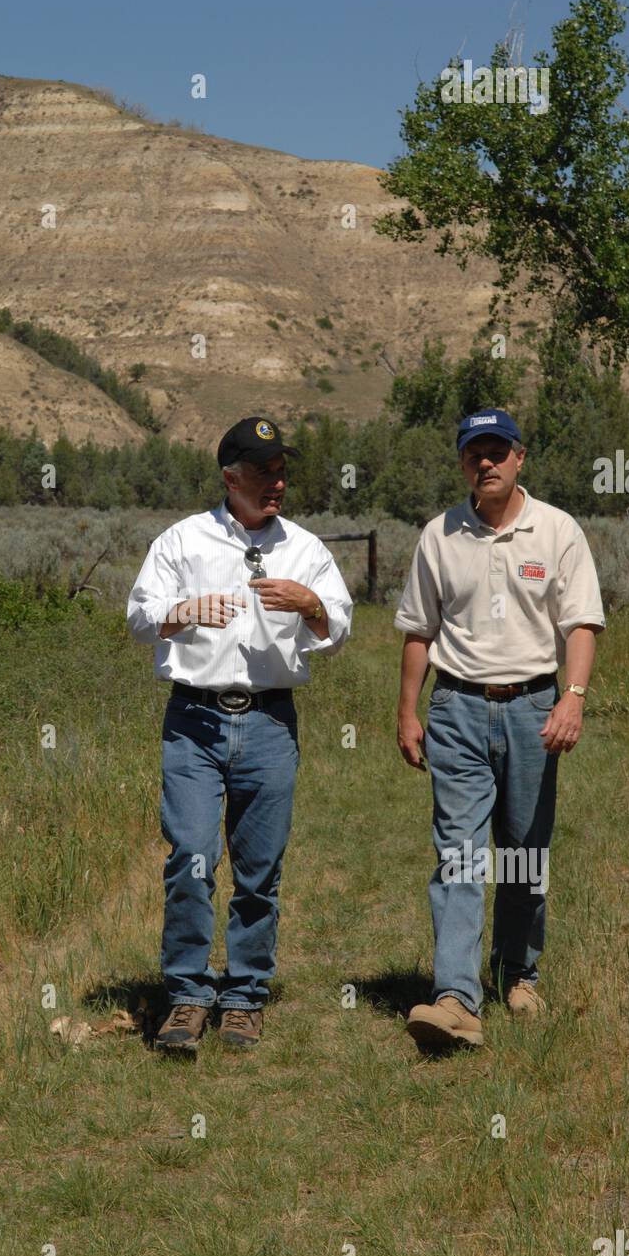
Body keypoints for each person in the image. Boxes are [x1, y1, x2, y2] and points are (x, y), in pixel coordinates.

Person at [127, 416, 353, 1052]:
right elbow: (139, 618)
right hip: (193, 722)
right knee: (191, 858)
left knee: (259, 869)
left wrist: (310, 605)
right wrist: (182, 613)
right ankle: (188, 996)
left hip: (269, 722)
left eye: (282, 470)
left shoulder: (305, 549)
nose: (277, 482)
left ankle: (246, 995)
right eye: (264, 471)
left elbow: (338, 629)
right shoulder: (182, 541)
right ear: (231, 478)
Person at [394, 408, 605, 1049]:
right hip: (456, 707)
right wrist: (407, 710)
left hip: (534, 708)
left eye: (496, 452)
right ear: (462, 462)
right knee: (458, 851)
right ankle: (456, 996)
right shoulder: (440, 535)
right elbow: (418, 630)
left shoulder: (557, 531)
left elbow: (582, 623)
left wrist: (572, 698)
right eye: (472, 453)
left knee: (522, 850)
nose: (484, 463)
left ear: (519, 458)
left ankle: (519, 975)